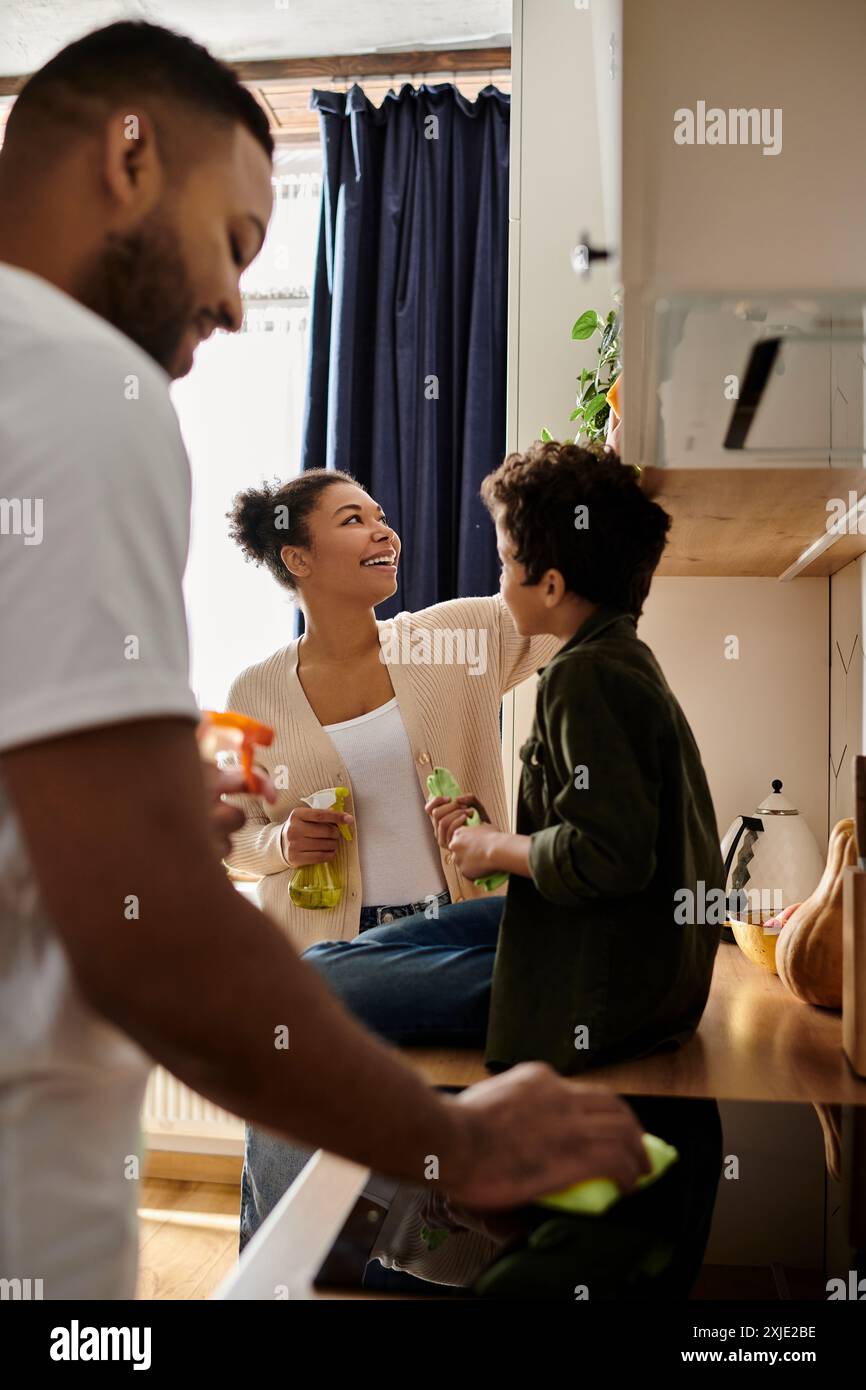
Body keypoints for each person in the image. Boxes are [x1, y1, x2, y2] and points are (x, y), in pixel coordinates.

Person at [0, 21, 649, 1299]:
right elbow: (166, 926)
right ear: (129, 154)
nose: (240, 301)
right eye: (236, 241)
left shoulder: (449, 638)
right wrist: (457, 1141)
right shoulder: (80, 391)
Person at [302, 443, 724, 1074]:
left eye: (505, 564)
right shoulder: (616, 657)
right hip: (640, 963)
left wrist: (495, 850)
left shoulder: (583, 677)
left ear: (550, 585)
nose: (499, 583)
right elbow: (609, 832)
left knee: (315, 977)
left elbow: (611, 857)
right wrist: (493, 835)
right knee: (348, 952)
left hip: (608, 991)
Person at [223, 468, 562, 1246]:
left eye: (382, 516)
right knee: (291, 1189)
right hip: (323, 960)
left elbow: (570, 609)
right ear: (297, 558)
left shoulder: (456, 635)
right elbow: (220, 837)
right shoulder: (248, 690)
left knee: (453, 1209)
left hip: (457, 941)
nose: (386, 531)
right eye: (353, 520)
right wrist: (278, 842)